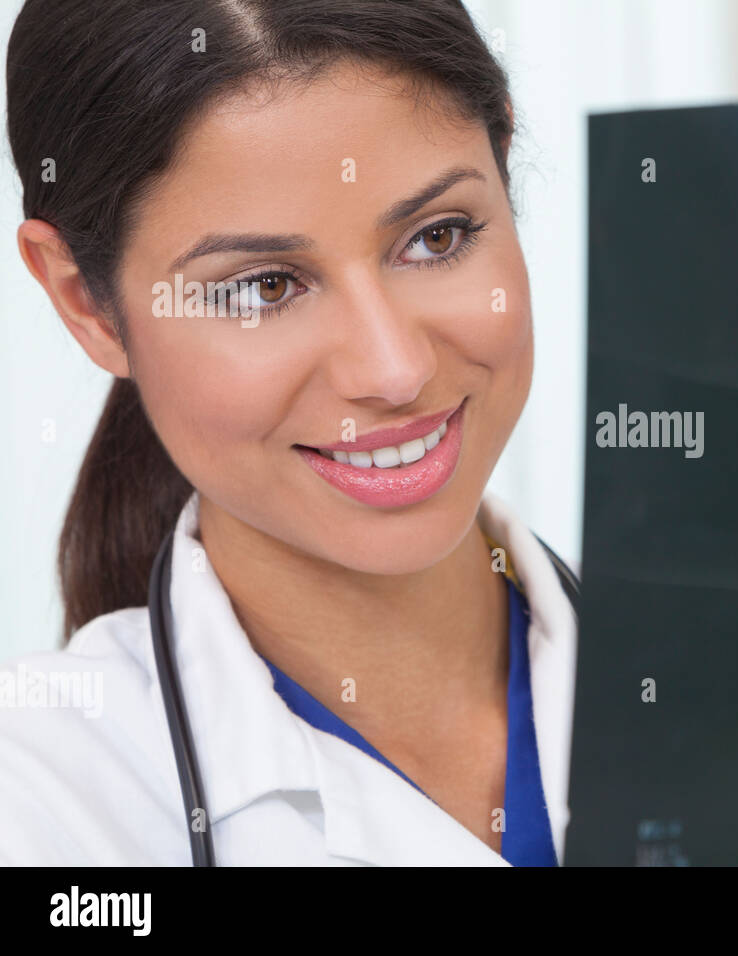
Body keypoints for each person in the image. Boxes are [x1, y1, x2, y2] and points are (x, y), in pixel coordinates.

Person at [0, 0, 576, 865]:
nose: (392, 370)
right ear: (87, 303)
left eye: (437, 236)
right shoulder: (42, 806)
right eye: (264, 288)